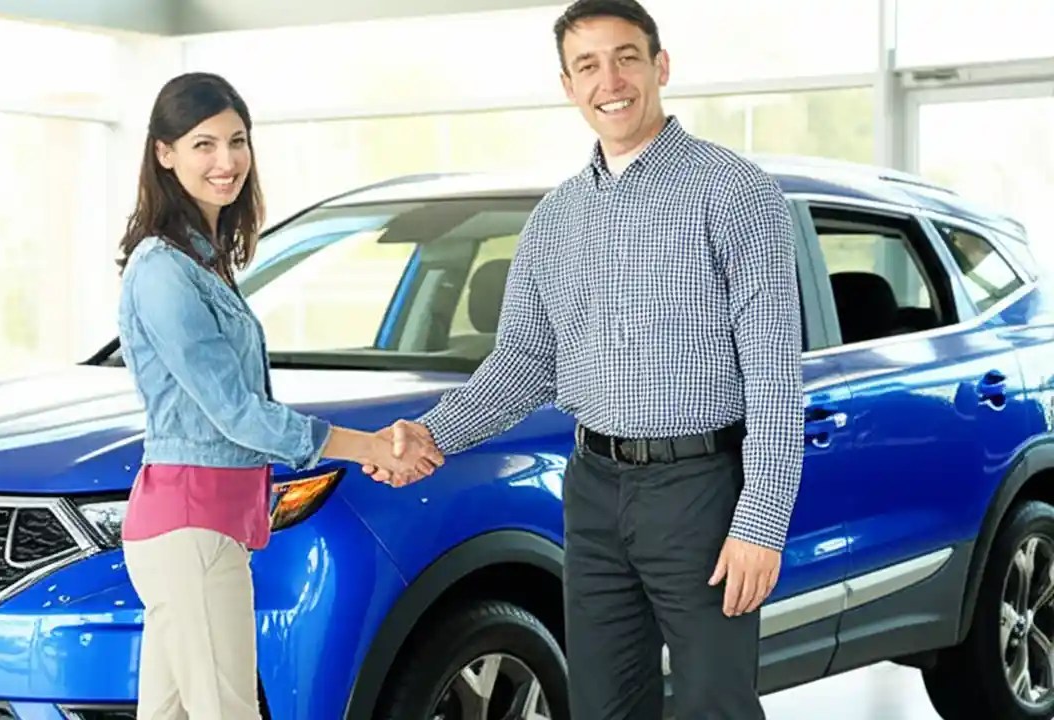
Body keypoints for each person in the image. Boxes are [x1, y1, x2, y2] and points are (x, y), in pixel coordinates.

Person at [366, 1, 803, 718]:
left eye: (627, 57)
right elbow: (522, 361)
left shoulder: (735, 193)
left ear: (660, 67)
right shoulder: (554, 219)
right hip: (594, 490)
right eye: (588, 65)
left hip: (698, 491)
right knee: (602, 706)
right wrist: (433, 433)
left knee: (712, 705)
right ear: (569, 85)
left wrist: (761, 519)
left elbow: (774, 375)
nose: (611, 79)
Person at [114, 72, 443, 720]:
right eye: (203, 144)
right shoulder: (163, 270)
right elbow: (237, 413)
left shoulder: (202, 263)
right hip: (191, 527)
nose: (226, 161)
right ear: (164, 153)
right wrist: (367, 445)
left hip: (200, 523)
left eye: (237, 141)